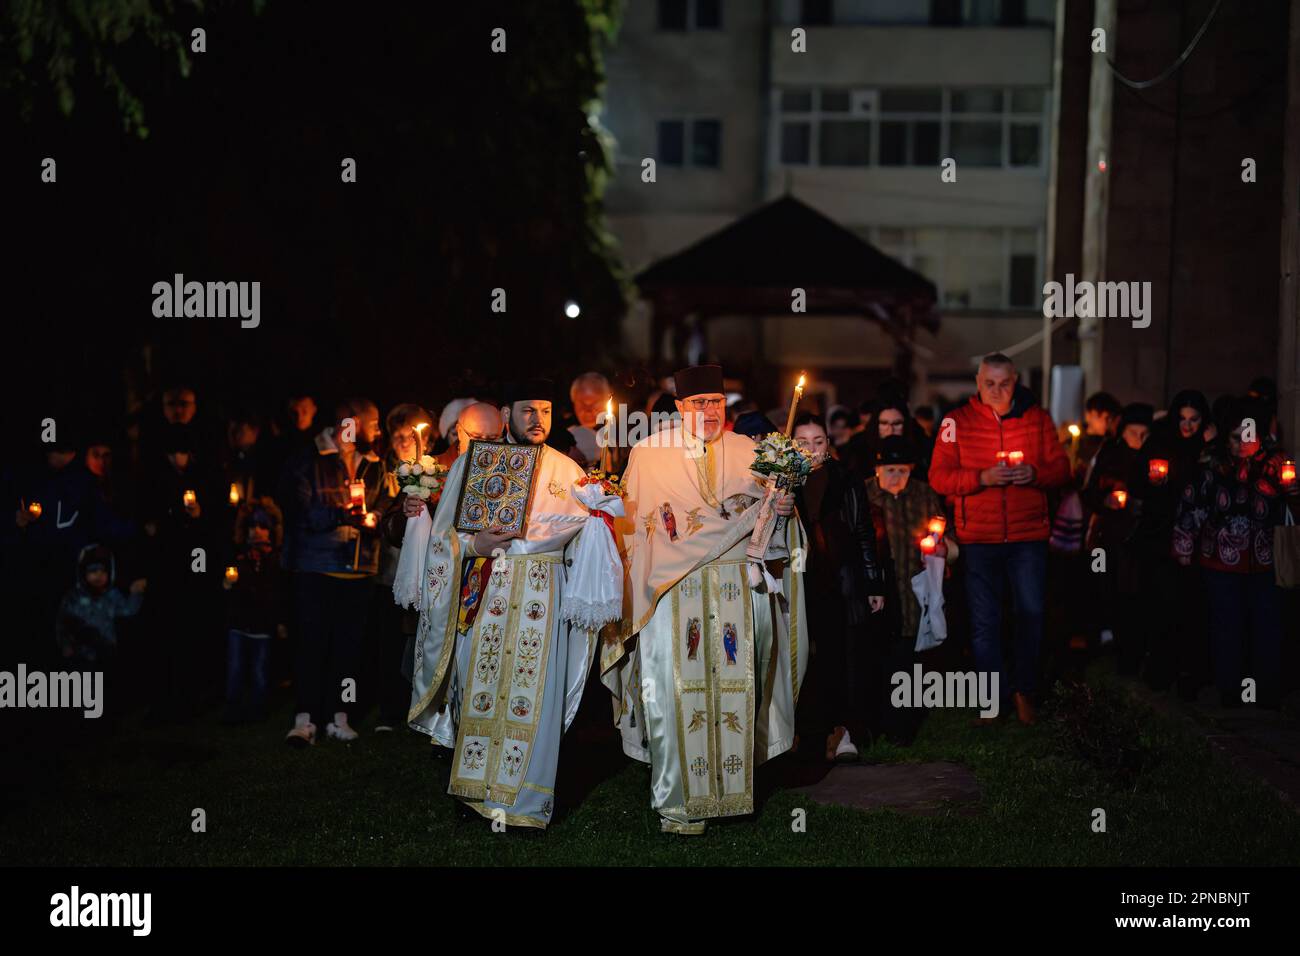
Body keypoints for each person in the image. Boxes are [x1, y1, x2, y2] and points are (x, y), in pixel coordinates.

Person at [608, 364, 807, 835]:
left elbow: (773, 540)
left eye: (715, 403)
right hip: (672, 596)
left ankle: (732, 794)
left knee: (740, 689)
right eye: (698, 403)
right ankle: (678, 803)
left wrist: (783, 511)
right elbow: (632, 533)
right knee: (676, 693)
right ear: (679, 408)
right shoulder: (649, 454)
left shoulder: (753, 452)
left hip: (738, 590)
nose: (709, 411)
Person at [393, 379, 599, 828]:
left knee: (534, 695)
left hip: (545, 599)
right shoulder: (475, 462)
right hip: (485, 595)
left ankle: (525, 803)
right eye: (528, 410)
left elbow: (589, 540)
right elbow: (445, 538)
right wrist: (475, 545)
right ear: (508, 414)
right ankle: (473, 793)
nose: (537, 420)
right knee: (479, 688)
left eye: (544, 410)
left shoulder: (570, 472)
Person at [928, 353, 1071, 725]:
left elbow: (1062, 468)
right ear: (978, 382)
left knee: (1031, 614)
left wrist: (1034, 473)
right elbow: (939, 477)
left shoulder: (1037, 419)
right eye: (989, 383)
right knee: (984, 621)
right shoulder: (955, 422)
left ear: (1016, 380)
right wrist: (982, 479)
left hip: (1028, 537)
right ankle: (993, 698)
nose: (996, 390)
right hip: (979, 537)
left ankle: (1024, 691)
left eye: (1004, 383)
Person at [279, 398, 390, 745]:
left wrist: (375, 520)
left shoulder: (374, 464)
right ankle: (306, 718)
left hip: (359, 568)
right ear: (351, 424)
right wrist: (341, 515)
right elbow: (298, 511)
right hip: (317, 567)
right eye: (372, 423)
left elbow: (386, 504)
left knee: (349, 647)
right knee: (312, 644)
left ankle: (340, 716)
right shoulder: (307, 458)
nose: (377, 430)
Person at [1173, 398, 1295, 708]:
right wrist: (1185, 542)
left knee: (1267, 625)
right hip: (1221, 562)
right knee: (1227, 626)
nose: (1243, 444)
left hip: (1266, 562)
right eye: (1236, 436)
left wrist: (1288, 493)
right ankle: (1231, 689)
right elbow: (1193, 504)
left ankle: (1265, 690)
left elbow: (1289, 507)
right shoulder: (1213, 466)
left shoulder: (1277, 463)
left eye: (1249, 436)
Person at [791, 412, 885, 761]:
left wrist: (873, 582)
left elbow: (863, 531)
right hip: (799, 579)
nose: (812, 450)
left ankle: (844, 730)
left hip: (840, 579)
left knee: (844, 654)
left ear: (828, 444)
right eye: (803, 443)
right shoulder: (783, 482)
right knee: (805, 654)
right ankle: (804, 730)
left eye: (819, 442)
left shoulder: (846, 479)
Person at [1129, 390, 1212, 696]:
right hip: (1161, 537)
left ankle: (1191, 672)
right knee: (1162, 603)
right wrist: (1154, 484)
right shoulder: (1160, 443)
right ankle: (1160, 669)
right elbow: (1135, 480)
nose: (1187, 427)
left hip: (1200, 538)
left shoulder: (1208, 448)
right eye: (1182, 419)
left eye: (1194, 420)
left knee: (1193, 607)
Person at [1080, 402, 1152, 667]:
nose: (1139, 440)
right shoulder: (1109, 453)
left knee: (1137, 591)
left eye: (1145, 435)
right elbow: (1088, 491)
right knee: (1107, 586)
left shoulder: (1153, 455)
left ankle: (1135, 648)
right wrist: (1104, 501)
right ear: (1122, 432)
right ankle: (1108, 641)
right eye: (1133, 434)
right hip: (1110, 535)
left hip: (1143, 535)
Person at [221, 497, 284, 723]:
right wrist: (227, 585)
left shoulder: (276, 559)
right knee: (235, 670)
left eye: (262, 526)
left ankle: (259, 709)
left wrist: (279, 621)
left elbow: (279, 592)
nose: (257, 532)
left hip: (263, 627)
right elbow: (229, 589)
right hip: (239, 624)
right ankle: (233, 710)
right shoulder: (238, 557)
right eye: (252, 527)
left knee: (260, 671)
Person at [567, 372, 613, 467]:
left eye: (595, 403)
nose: (588, 410)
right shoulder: (564, 436)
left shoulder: (621, 437)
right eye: (581, 403)